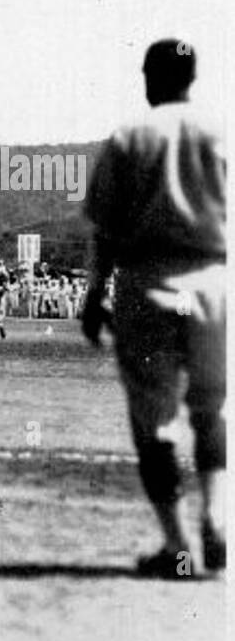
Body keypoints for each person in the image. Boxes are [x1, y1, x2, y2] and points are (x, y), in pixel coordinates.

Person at [83, 38, 226, 578]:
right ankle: (216, 514)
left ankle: (180, 547)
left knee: (155, 418)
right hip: (215, 279)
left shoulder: (130, 137)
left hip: (149, 281)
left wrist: (94, 293)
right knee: (214, 408)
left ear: (150, 77)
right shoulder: (222, 133)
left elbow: (105, 228)